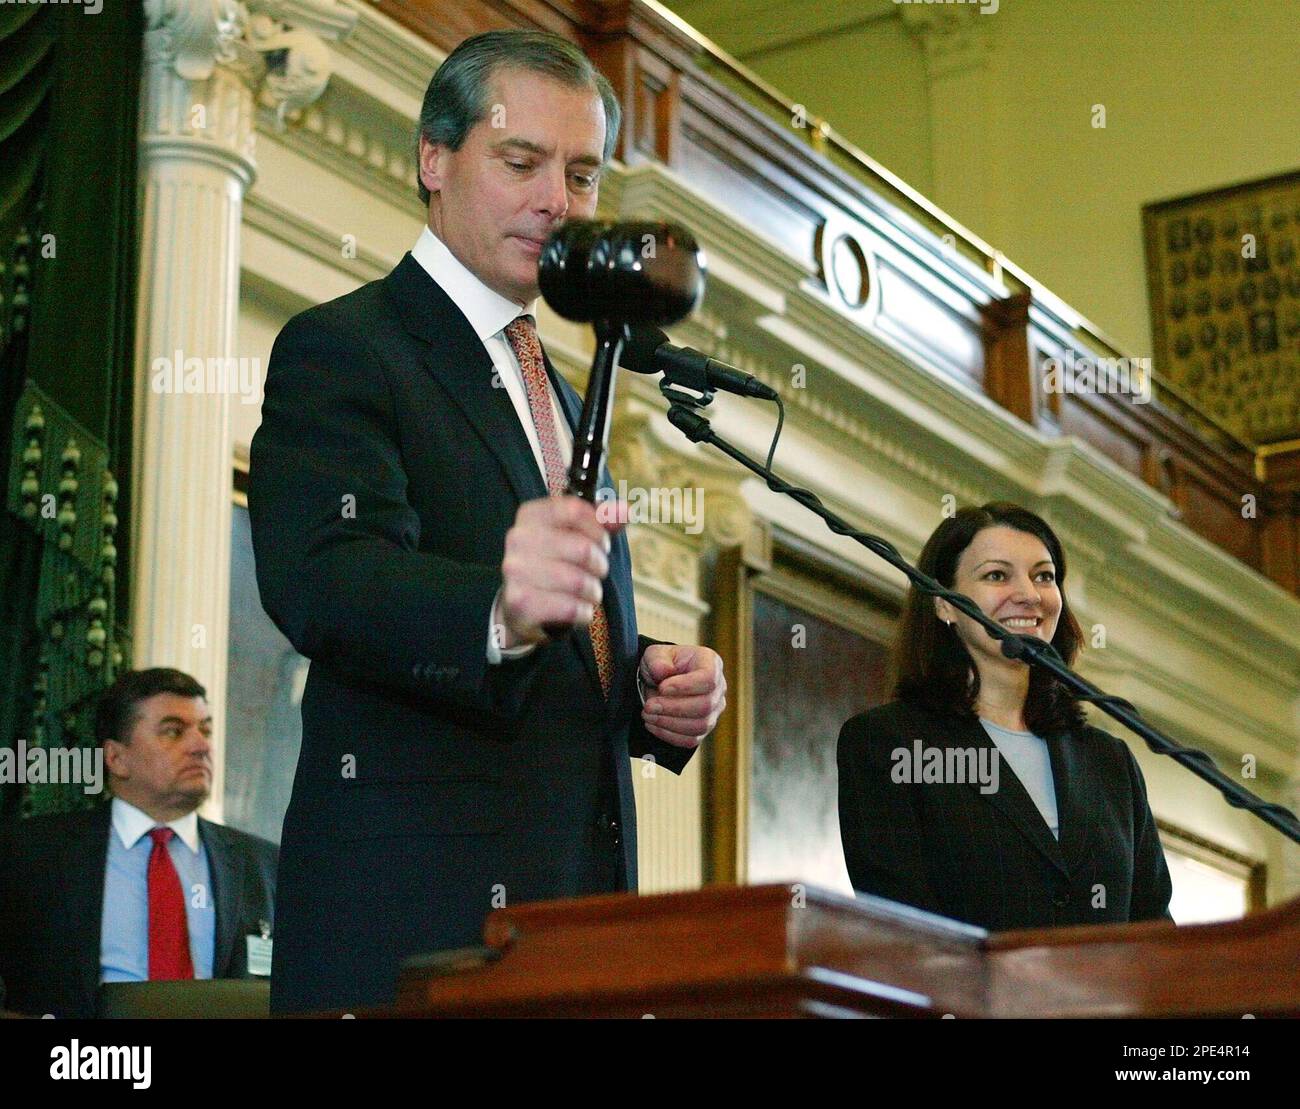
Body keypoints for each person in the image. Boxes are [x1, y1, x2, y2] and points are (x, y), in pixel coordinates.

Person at [248, 30, 726, 1014]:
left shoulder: (562, 378)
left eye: (584, 174)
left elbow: (559, 638)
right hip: (416, 935)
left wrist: (644, 682)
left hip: (577, 932)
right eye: (521, 161)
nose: (559, 200)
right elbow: (323, 573)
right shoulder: (345, 346)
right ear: (434, 158)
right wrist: (498, 609)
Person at [837, 503, 1172, 931]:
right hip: (971, 997)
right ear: (944, 605)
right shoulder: (888, 743)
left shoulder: (1110, 762)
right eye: (997, 575)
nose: (1029, 595)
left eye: (1043, 576)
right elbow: (903, 929)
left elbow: (1154, 925)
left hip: (1108, 999)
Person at [0, 668, 278, 1018]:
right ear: (116, 758)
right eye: (174, 732)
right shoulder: (29, 853)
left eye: (205, 729)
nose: (201, 746)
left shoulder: (265, 865)